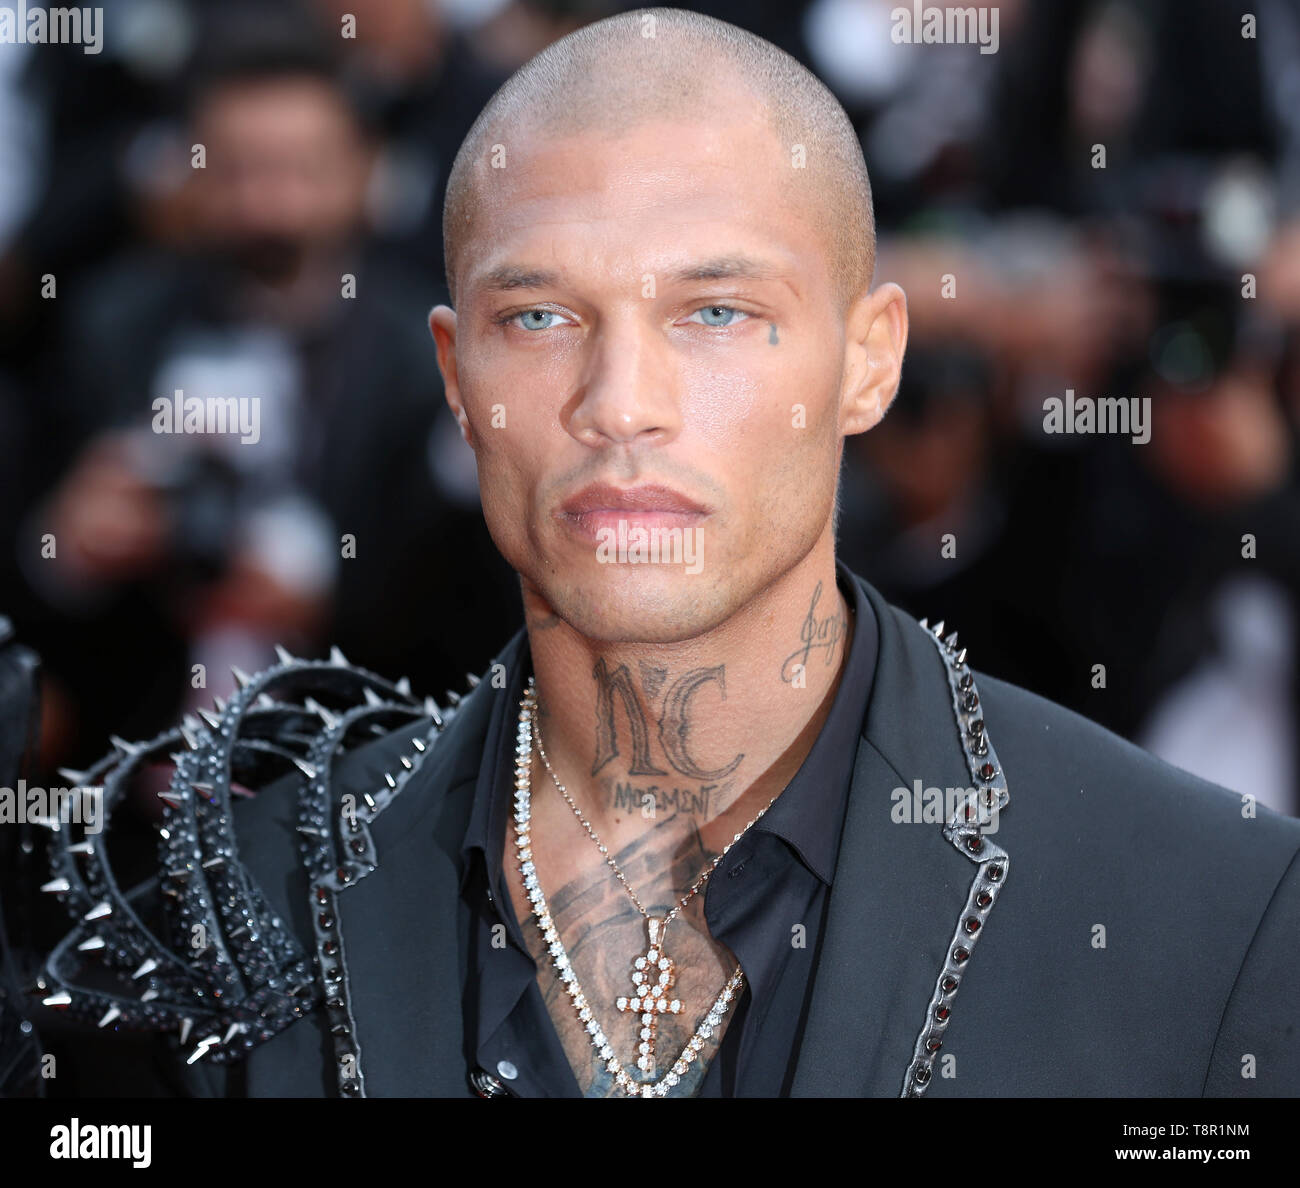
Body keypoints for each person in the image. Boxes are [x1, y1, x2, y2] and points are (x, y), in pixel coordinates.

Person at [22, 7, 1300, 1099]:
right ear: (458, 383)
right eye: (540, 314)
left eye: (715, 312)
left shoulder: (1206, 911)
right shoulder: (240, 910)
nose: (618, 400)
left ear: (869, 359)